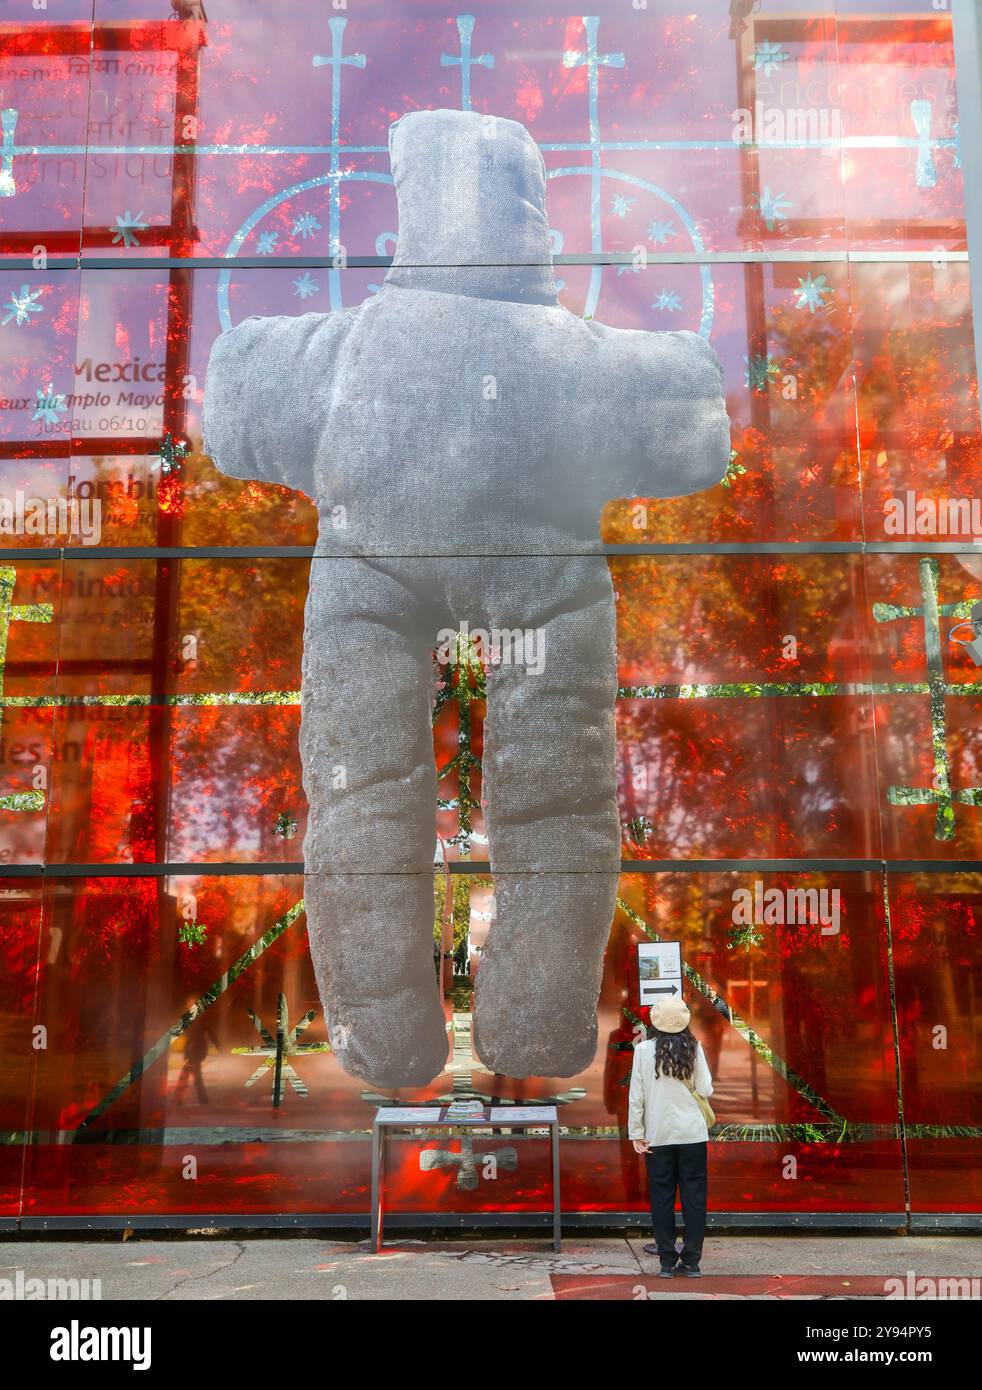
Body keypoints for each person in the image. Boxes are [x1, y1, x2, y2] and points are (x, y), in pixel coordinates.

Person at [628, 996, 713, 1278]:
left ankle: (666, 1261)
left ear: (655, 1020)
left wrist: (636, 1133)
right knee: (695, 1198)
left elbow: (636, 1097)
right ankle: (692, 1262)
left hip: (658, 1135)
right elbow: (706, 1089)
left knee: (661, 1197)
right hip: (692, 1134)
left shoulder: (642, 1051)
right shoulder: (694, 1048)